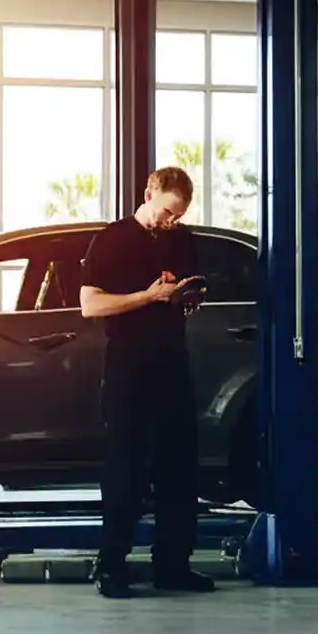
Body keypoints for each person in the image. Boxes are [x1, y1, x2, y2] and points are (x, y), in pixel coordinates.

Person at [78, 166, 215, 599]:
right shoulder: (113, 239)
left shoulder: (182, 240)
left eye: (178, 216)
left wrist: (187, 296)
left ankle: (172, 565)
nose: (170, 222)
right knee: (126, 467)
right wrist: (148, 296)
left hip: (172, 360)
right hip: (128, 364)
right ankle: (112, 564)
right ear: (149, 193)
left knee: (179, 467)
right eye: (166, 212)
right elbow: (90, 305)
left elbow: (186, 288)